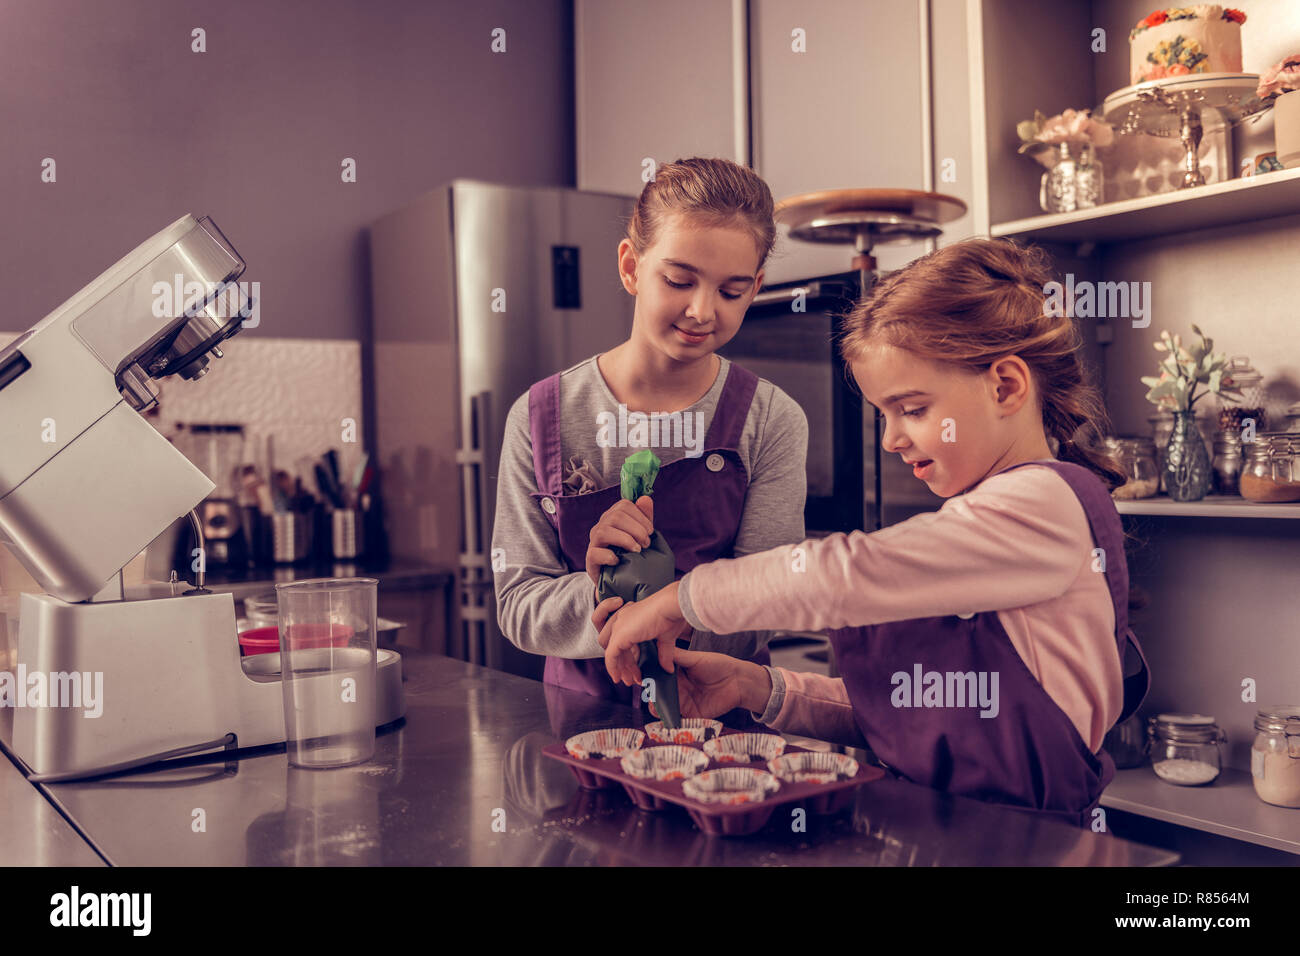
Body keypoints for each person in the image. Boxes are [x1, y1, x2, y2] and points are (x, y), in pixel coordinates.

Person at [599, 238, 1150, 827]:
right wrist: (756, 687)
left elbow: (842, 574)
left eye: (911, 409)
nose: (890, 439)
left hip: (1028, 846)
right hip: (939, 835)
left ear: (1006, 387)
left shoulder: (1045, 503)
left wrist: (682, 600)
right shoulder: (982, 519)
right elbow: (923, 711)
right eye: (882, 415)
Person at [492, 157, 809, 725]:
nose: (702, 311)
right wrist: (602, 591)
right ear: (632, 266)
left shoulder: (771, 420)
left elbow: (768, 602)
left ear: (755, 288)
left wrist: (665, 605)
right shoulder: (541, 417)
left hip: (723, 726)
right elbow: (518, 605)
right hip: (583, 724)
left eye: (732, 291)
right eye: (679, 280)